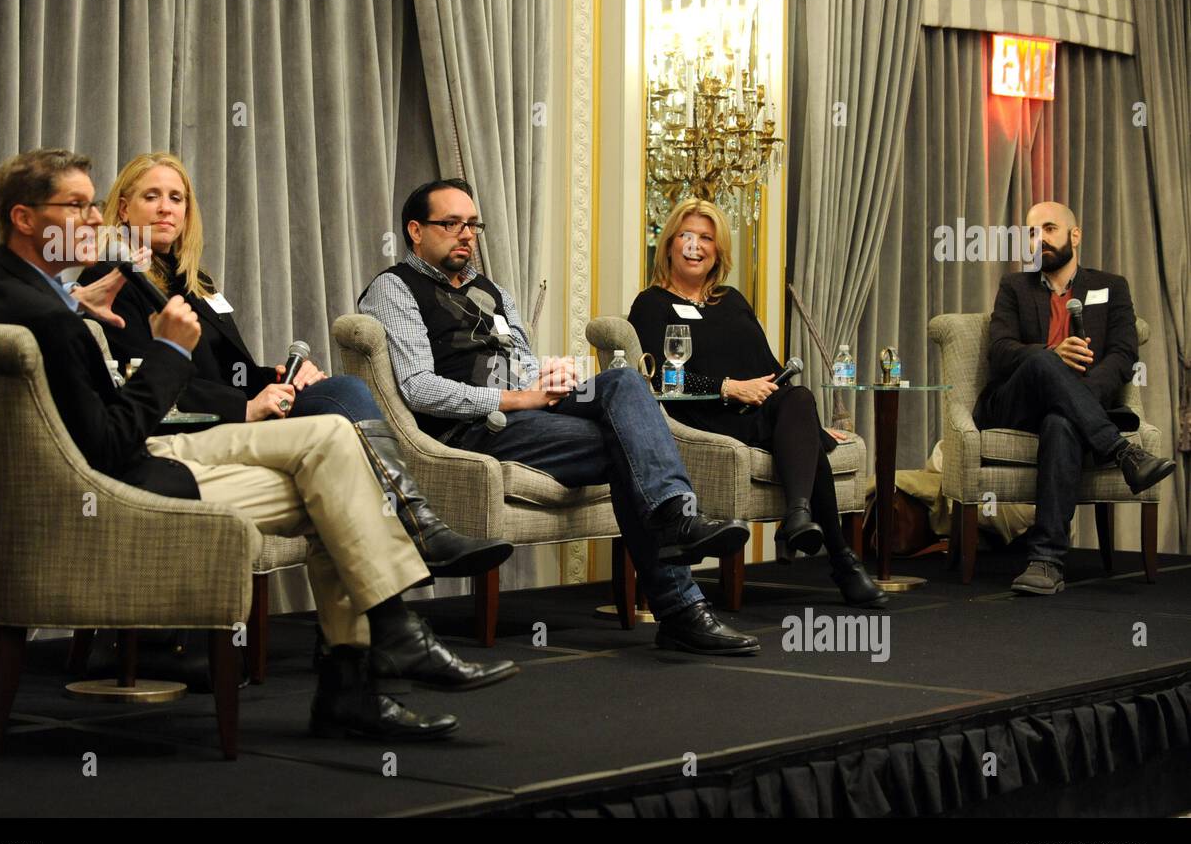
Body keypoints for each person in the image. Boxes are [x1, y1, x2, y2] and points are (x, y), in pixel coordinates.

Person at [0, 148, 518, 742]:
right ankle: (370, 662)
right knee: (340, 487)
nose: (94, 220)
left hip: (120, 456)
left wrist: (74, 304)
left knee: (333, 435)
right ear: (22, 219)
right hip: (112, 480)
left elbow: (14, 304)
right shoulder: (53, 314)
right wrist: (166, 352)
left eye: (94, 204)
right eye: (77, 206)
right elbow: (115, 441)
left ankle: (388, 640)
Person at [359, 178, 760, 656]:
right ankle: (681, 603)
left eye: (472, 225)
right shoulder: (395, 289)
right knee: (628, 445)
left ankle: (674, 518)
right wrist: (515, 400)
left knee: (624, 382)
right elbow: (418, 388)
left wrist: (550, 375)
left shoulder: (492, 291)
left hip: (530, 406)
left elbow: (522, 360)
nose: (466, 235)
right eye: (452, 224)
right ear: (416, 231)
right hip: (474, 428)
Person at [78, 152, 511, 581]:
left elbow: (232, 369)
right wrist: (244, 406)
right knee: (341, 418)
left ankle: (412, 535)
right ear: (123, 207)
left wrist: (281, 377)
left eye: (177, 198)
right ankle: (417, 530)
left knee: (338, 391)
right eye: (151, 196)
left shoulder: (196, 281)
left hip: (237, 412)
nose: (165, 207)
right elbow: (137, 379)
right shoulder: (111, 280)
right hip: (193, 428)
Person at [628, 199, 886, 608]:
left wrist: (811, 428)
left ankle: (798, 515)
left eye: (706, 238)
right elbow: (659, 377)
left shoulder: (730, 300)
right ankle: (841, 560)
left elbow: (771, 370)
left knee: (798, 396)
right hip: (700, 418)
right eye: (686, 236)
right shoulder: (651, 303)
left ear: (718, 249)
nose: (695, 246)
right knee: (803, 428)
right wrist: (728, 388)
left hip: (752, 414)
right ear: (670, 245)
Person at [974, 200, 1175, 595]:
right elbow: (1000, 351)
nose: (1039, 239)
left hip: (1074, 408)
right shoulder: (1014, 286)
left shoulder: (1110, 286)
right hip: (1014, 403)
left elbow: (1122, 354)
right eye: (1032, 232)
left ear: (1075, 234)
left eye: (1049, 229)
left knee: (1061, 423)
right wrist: (1051, 355)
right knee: (1044, 363)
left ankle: (1046, 563)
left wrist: (1080, 393)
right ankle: (1122, 453)